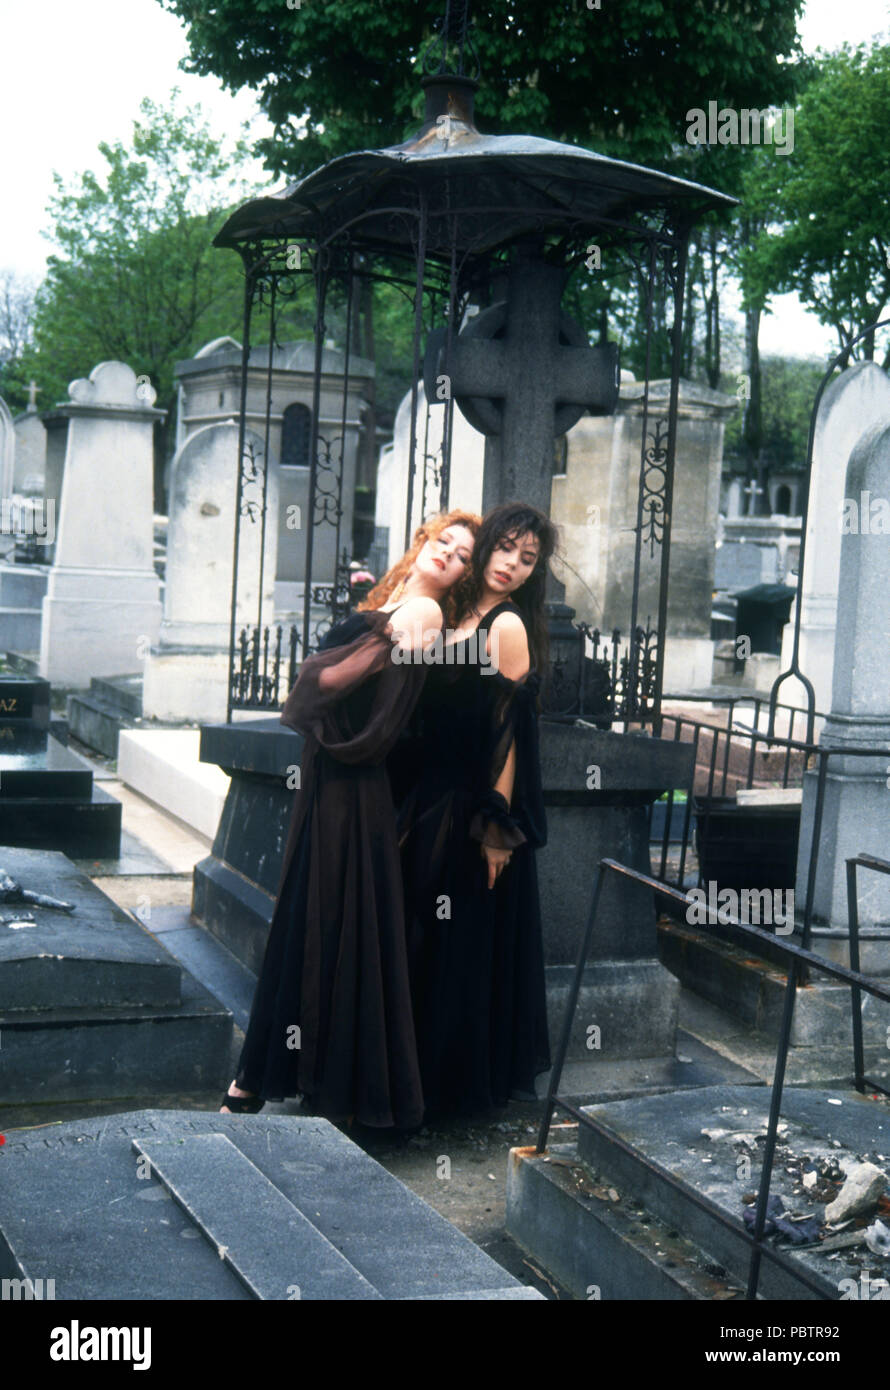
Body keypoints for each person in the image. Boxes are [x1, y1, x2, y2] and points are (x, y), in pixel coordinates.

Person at [220, 509, 480, 1129]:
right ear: (423, 541)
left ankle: (296, 1083)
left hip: (350, 785)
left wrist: (320, 687)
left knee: (330, 923)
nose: (449, 554)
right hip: (332, 781)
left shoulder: (422, 614)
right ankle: (278, 1076)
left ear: (463, 575)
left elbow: (327, 686)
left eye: (463, 555)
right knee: (312, 922)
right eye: (444, 541)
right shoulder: (396, 600)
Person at [392, 501, 558, 1118]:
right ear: (485, 546)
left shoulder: (506, 627)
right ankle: (408, 1079)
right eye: (506, 548)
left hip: (470, 808)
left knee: (456, 943)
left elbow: (510, 733)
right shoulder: (457, 612)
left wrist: (495, 826)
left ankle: (445, 1092)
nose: (512, 564)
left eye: (527, 559)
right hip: (426, 795)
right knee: (418, 937)